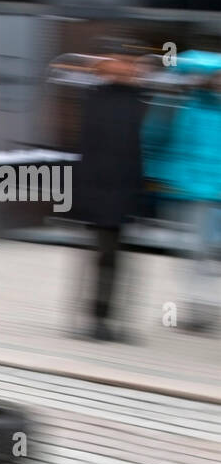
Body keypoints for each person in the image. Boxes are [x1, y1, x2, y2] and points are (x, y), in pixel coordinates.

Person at [69, 44, 146, 342]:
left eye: (131, 64)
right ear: (107, 67)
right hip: (102, 191)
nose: (128, 68)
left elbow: (139, 147)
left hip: (125, 191)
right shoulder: (96, 98)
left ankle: (111, 319)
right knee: (106, 257)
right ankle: (98, 319)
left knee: (119, 259)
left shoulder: (139, 99)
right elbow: (89, 149)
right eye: (121, 62)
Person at [144, 52, 221, 333]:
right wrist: (155, 175)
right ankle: (199, 308)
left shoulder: (179, 107)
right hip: (190, 191)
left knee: (200, 253)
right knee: (196, 253)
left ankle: (201, 309)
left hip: (201, 191)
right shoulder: (178, 107)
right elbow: (154, 139)